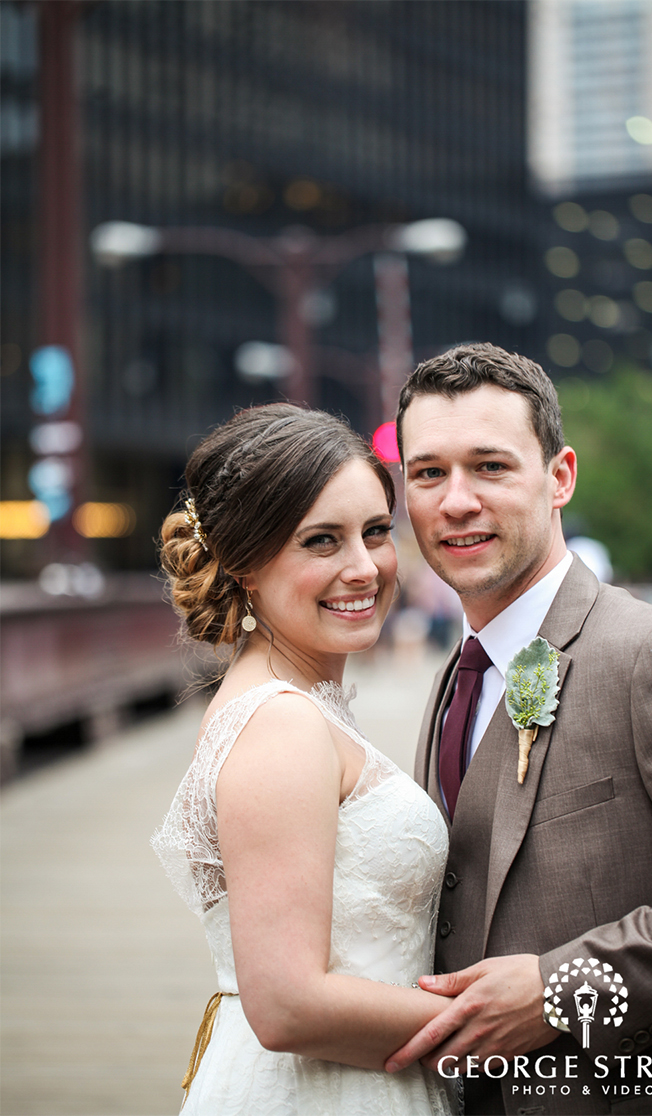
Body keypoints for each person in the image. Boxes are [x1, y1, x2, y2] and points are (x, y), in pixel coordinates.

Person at [380, 343, 652, 1115]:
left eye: (491, 467)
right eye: (429, 473)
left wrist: (558, 990)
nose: (456, 501)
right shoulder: (456, 675)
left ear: (561, 478)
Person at [152, 404, 455, 1114]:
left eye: (376, 532)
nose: (365, 568)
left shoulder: (296, 701)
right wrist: (500, 1022)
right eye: (321, 541)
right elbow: (288, 1005)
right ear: (246, 564)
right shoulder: (281, 725)